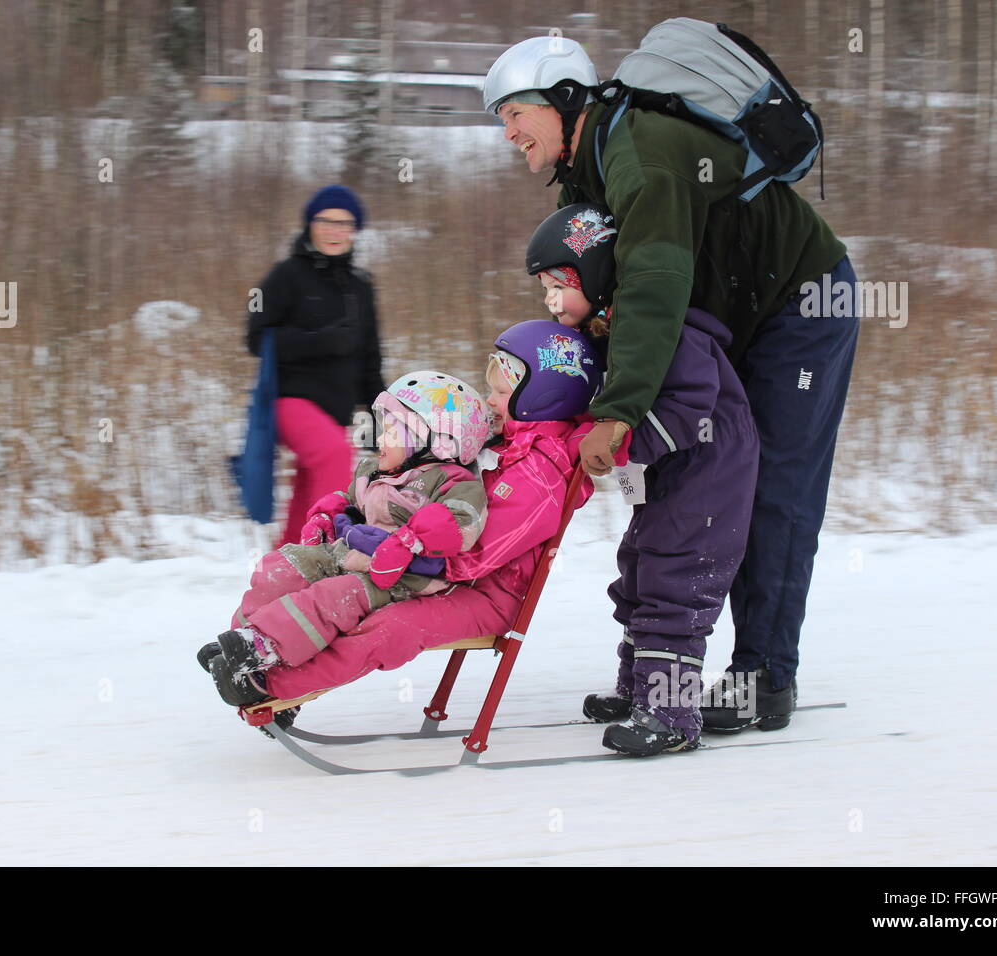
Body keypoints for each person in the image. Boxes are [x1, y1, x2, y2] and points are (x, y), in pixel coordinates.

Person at [483, 34, 860, 732]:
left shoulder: (638, 155)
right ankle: (661, 672)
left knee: (771, 482)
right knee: (694, 476)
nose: (507, 131)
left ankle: (764, 677)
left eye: (515, 111)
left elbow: (654, 284)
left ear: (565, 103)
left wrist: (621, 410)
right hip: (729, 316)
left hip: (800, 305)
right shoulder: (585, 172)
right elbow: (595, 295)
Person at [201, 321, 603, 712]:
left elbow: (475, 552)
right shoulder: (506, 441)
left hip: (484, 593)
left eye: (500, 391)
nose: (490, 400)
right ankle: (250, 644)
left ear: (546, 394)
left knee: (389, 625)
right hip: (426, 566)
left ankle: (271, 685)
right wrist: (354, 520)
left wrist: (394, 547)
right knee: (301, 570)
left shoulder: (540, 475)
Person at [526, 203, 759, 755]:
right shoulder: (612, 333)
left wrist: (621, 443)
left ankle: (672, 714)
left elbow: (687, 409)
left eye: (558, 284)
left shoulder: (667, 333)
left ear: (598, 275)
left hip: (709, 476)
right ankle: (639, 691)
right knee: (637, 573)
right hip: (668, 480)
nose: (551, 299)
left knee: (673, 585)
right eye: (544, 288)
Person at [205, 371, 491, 706]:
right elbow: (351, 499)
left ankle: (264, 649)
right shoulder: (376, 472)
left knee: (333, 598)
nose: (380, 438)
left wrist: (409, 541)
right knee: (284, 565)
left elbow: (460, 523)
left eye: (390, 431)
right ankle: (243, 637)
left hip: (401, 576)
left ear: (437, 441)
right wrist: (329, 513)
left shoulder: (453, 483)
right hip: (352, 553)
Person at [246, 185, 385, 548]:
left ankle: (285, 563)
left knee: (307, 495)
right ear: (310, 225)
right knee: (336, 458)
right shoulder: (287, 275)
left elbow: (371, 358)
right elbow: (256, 337)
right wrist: (321, 340)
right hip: (289, 401)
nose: (335, 230)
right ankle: (323, 552)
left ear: (355, 230)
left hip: (335, 411)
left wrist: (380, 415)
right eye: (326, 221)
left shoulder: (360, 287)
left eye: (345, 223)